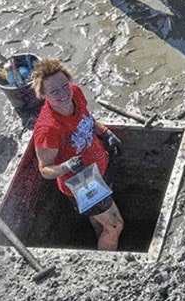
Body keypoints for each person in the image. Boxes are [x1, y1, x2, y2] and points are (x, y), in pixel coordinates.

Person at [30, 57, 125, 251]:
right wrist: (66, 166)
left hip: (101, 163)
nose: (63, 94)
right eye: (54, 91)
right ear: (43, 94)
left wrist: (105, 132)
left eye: (64, 86)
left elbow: (87, 118)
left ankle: (102, 241)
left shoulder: (75, 93)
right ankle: (107, 262)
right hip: (83, 180)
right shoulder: (48, 129)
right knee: (115, 225)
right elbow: (45, 170)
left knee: (101, 221)